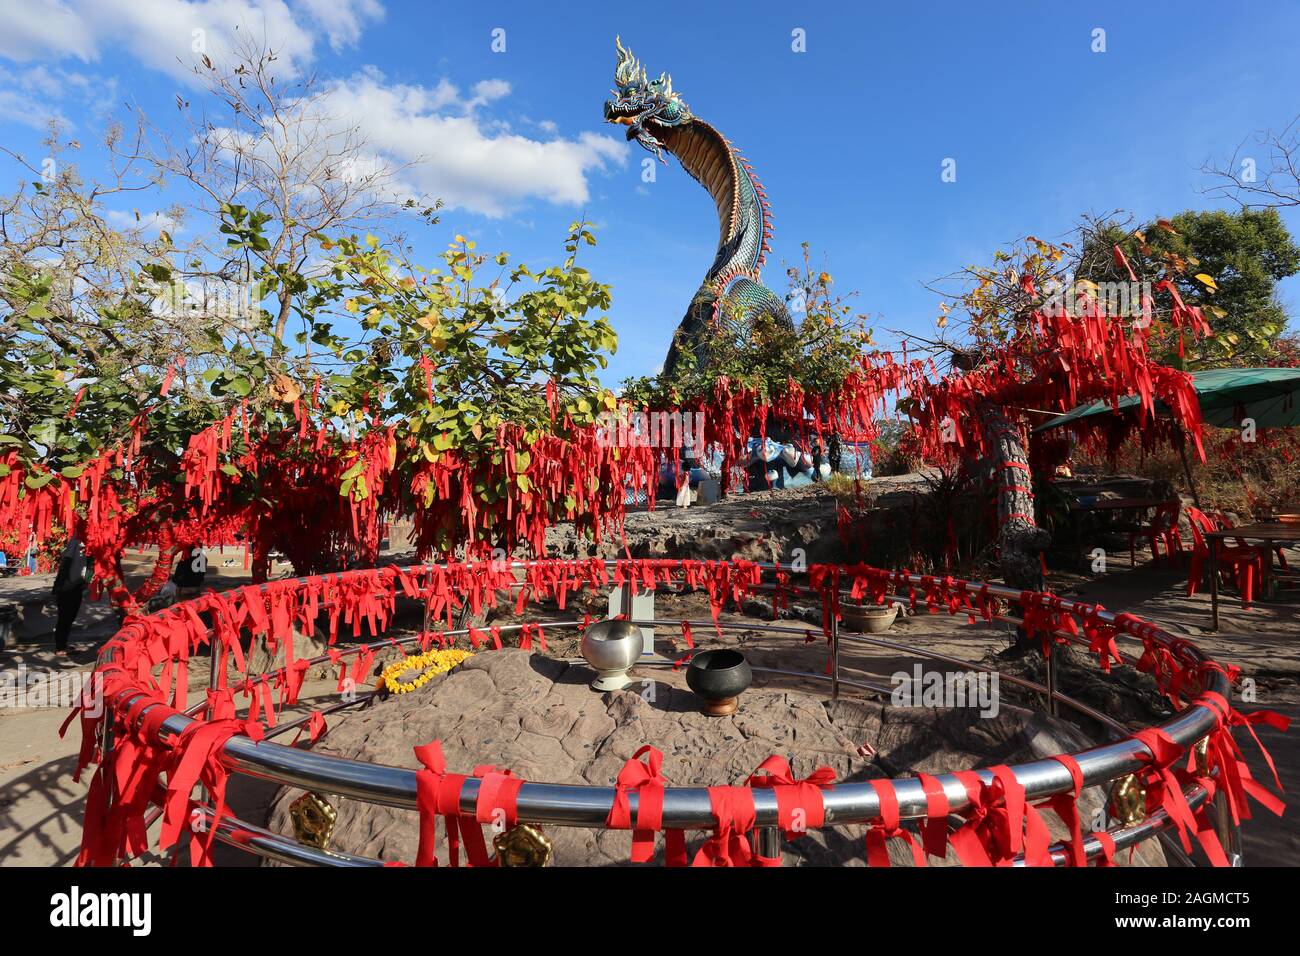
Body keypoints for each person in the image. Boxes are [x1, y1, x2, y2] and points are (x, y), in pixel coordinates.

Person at [52, 533, 90, 657]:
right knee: (65, 617)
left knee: (69, 617)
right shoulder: (76, 540)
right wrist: (59, 584)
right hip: (69, 585)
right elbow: (66, 562)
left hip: (77, 584)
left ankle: (62, 645)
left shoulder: (88, 541)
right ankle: (60, 647)